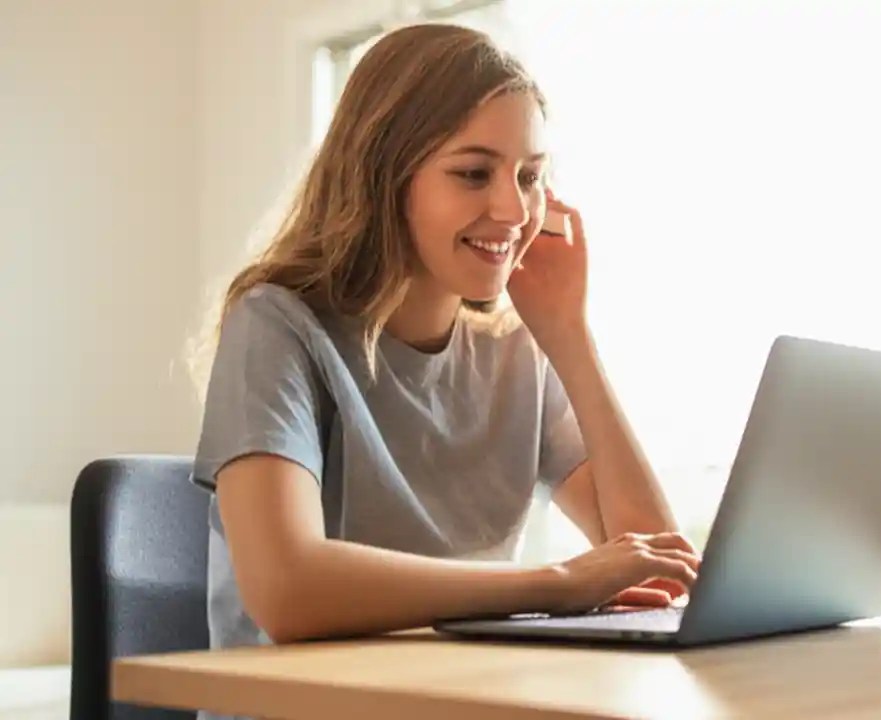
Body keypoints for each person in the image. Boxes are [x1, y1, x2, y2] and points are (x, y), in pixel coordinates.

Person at [189, 22, 700, 664]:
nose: (515, 211)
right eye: (473, 173)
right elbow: (286, 590)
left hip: (458, 693)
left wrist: (571, 337)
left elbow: (659, 572)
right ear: (383, 176)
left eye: (530, 177)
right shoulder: (276, 326)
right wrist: (558, 584)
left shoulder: (517, 350)